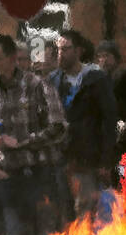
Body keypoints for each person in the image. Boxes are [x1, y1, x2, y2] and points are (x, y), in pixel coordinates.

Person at [0, 34, 66, 235]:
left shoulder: (38, 86)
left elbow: (58, 128)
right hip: (9, 179)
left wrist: (22, 143)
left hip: (41, 174)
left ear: (12, 58)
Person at [50, 30, 118, 222]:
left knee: (85, 210)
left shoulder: (95, 79)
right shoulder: (53, 80)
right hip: (61, 157)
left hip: (87, 156)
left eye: (65, 49)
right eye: (58, 49)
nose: (60, 54)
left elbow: (109, 120)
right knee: (63, 211)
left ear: (79, 51)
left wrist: (105, 160)